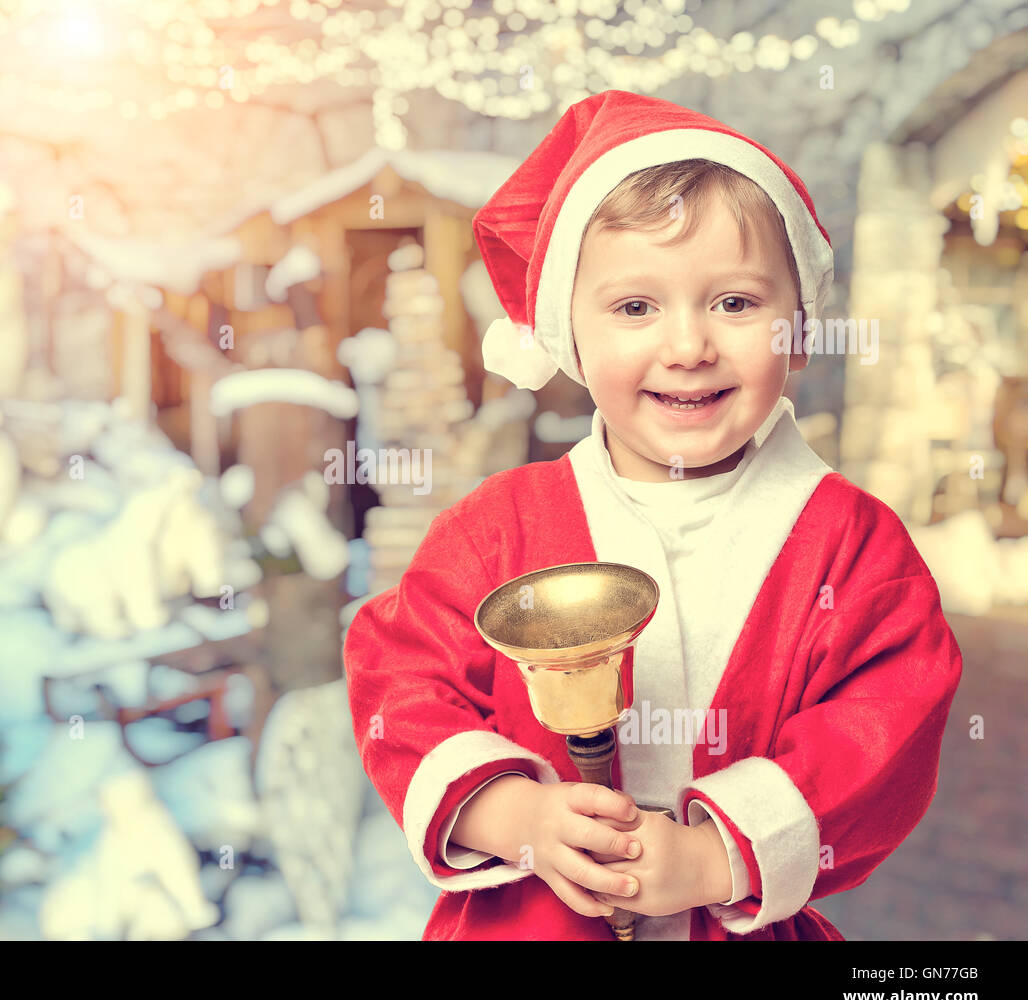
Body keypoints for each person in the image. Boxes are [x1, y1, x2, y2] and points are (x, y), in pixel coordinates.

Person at [342, 90, 963, 941]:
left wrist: (715, 858)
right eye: (635, 307)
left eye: (735, 303)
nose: (688, 345)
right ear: (569, 331)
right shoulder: (497, 529)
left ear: (801, 323)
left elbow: (886, 721)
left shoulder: (852, 547)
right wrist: (513, 812)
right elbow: (402, 680)